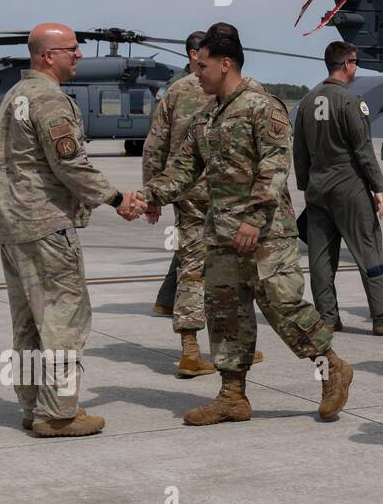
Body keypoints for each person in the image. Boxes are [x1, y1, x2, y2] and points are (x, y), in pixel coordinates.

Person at [141, 23, 354, 425]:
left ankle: (333, 369)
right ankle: (232, 396)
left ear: (225, 64)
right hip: (220, 233)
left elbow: (275, 167)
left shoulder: (262, 107)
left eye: (202, 66)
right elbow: (183, 169)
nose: (196, 72)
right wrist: (148, 196)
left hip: (266, 233)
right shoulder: (206, 117)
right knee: (225, 313)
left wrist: (255, 219)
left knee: (283, 307)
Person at [0, 23, 144, 437]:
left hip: (12, 227)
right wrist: (117, 198)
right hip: (45, 227)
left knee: (27, 324)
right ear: (46, 56)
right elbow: (70, 164)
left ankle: (33, 405)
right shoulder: (49, 100)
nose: (78, 55)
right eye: (71, 49)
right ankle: (58, 412)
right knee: (63, 318)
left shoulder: (15, 96)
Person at [294, 41, 383, 335]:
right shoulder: (350, 101)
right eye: (354, 61)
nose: (356, 67)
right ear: (346, 64)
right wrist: (378, 188)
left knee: (320, 257)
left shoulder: (308, 101)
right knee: (368, 246)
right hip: (349, 185)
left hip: (318, 188)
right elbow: (362, 149)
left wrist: (306, 184)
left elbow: (299, 151)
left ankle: (327, 317)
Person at [143, 29, 231, 377]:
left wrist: (153, 195)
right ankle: (223, 348)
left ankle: (193, 350)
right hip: (225, 194)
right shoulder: (239, 89)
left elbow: (154, 146)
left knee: (192, 269)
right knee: (231, 272)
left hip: (186, 192)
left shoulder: (175, 91)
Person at [152, 30, 207, 318]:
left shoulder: (176, 89)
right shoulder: (180, 90)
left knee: (189, 244)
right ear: (193, 54)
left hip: (182, 184)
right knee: (195, 249)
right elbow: (156, 144)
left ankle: (166, 299)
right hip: (192, 185)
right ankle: (191, 322)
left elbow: (154, 147)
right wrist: (153, 194)